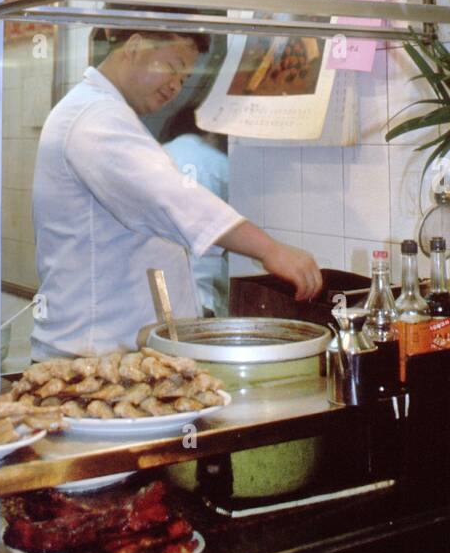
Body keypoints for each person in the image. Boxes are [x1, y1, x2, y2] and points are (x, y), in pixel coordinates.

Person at [31, 27, 322, 357]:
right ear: (136, 46)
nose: (175, 87)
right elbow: (170, 197)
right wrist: (270, 250)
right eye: (173, 68)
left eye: (184, 79)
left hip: (116, 352)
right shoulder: (95, 117)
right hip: (90, 361)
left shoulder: (106, 112)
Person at [161, 107, 230, 316]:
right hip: (201, 289)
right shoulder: (219, 162)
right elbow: (235, 226)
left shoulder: (157, 152)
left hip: (153, 286)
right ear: (210, 130)